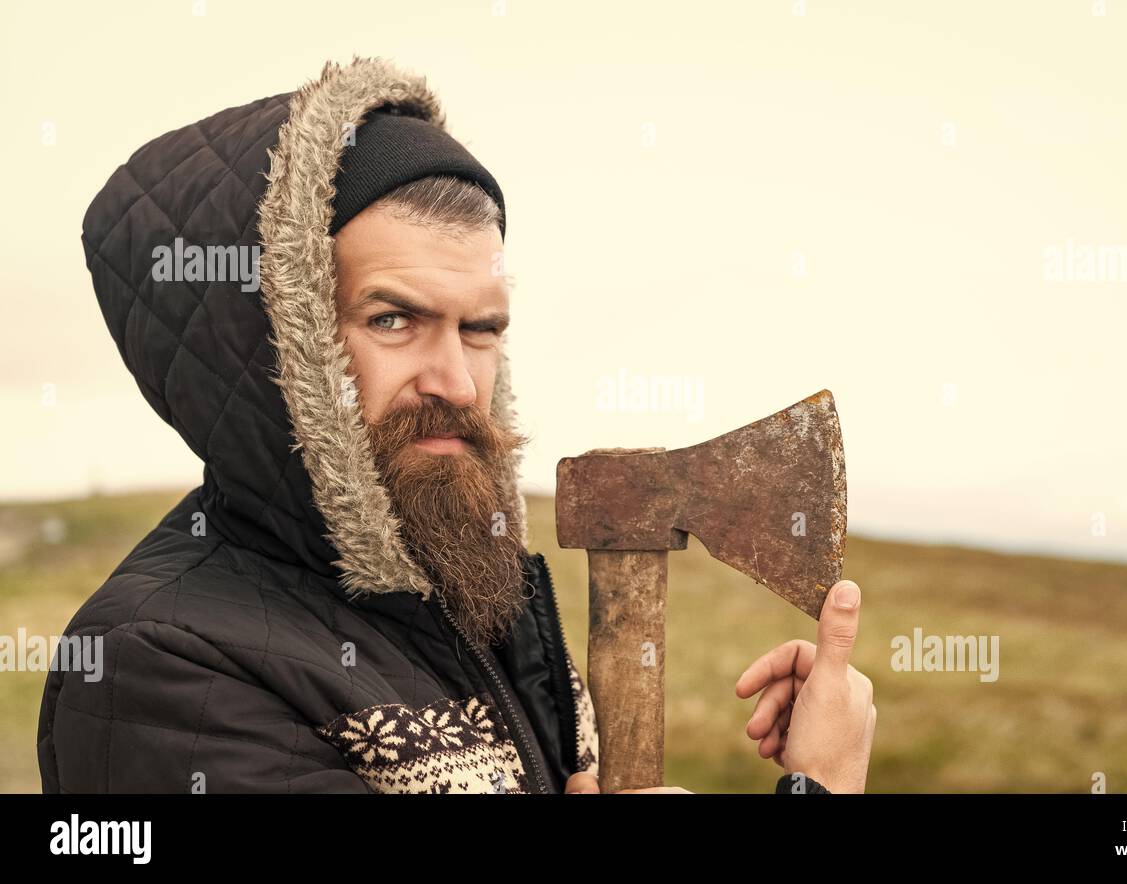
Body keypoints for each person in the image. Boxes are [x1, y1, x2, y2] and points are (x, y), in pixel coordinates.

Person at [36, 57, 875, 794]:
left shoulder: (470, 593)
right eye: (395, 320)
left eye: (482, 329)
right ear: (277, 345)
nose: (458, 384)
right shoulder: (157, 670)